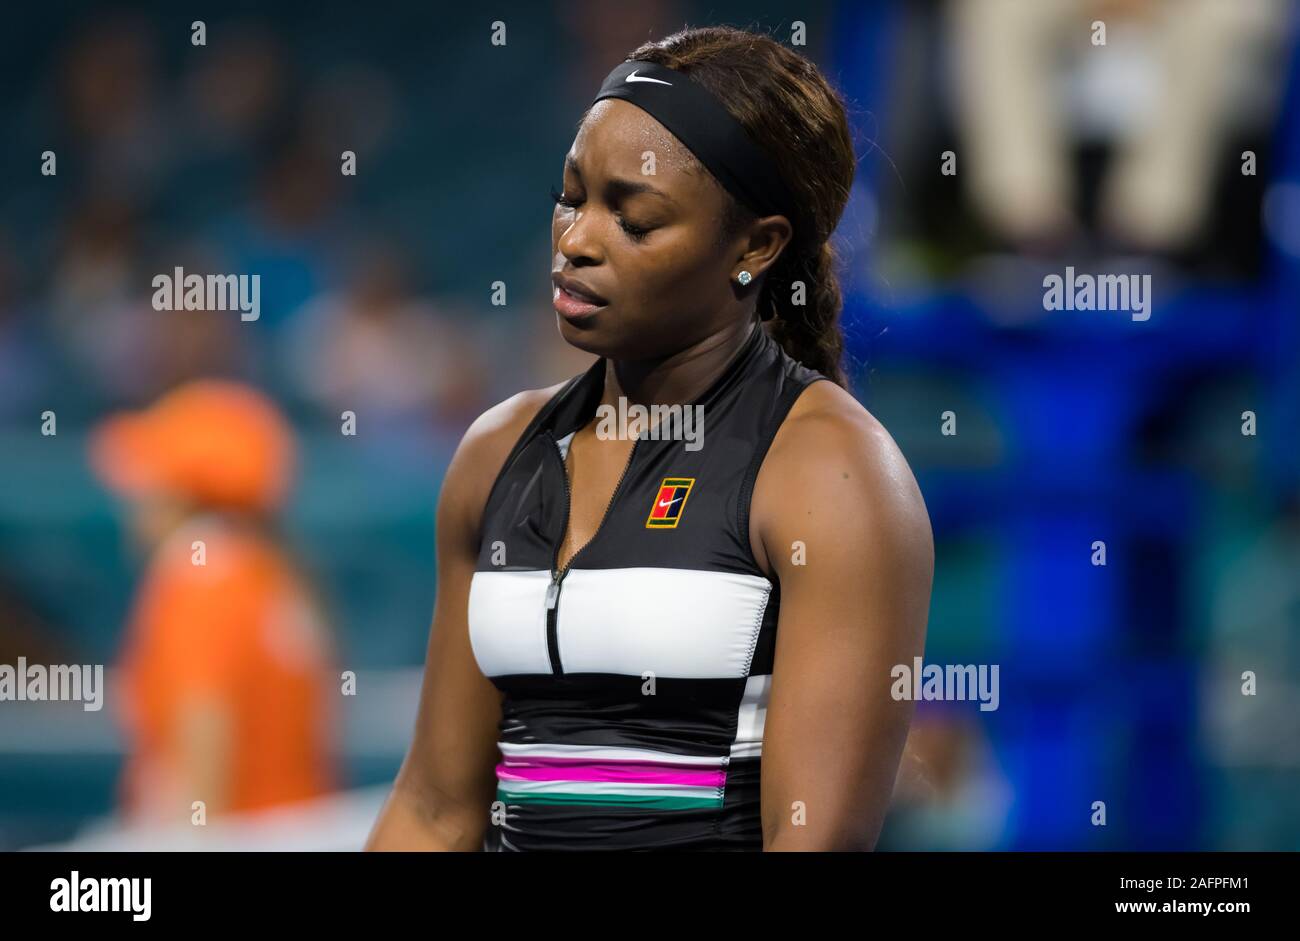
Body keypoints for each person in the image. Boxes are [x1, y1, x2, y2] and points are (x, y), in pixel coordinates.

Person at [367, 26, 933, 851]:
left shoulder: (830, 471)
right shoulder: (495, 455)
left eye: (634, 219)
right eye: (572, 196)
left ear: (756, 246)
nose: (577, 240)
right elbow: (433, 808)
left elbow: (811, 841)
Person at [89, 379, 337, 824]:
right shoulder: (271, 572)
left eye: (147, 481)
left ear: (182, 493)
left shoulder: (198, 576)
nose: (133, 500)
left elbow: (204, 741)